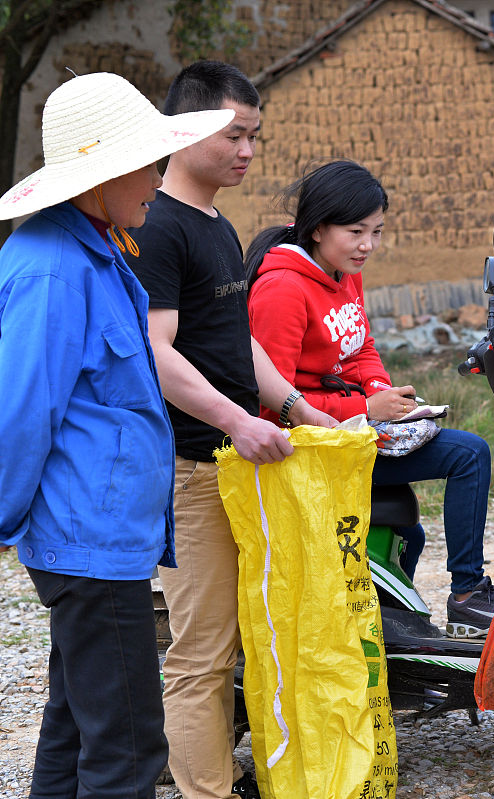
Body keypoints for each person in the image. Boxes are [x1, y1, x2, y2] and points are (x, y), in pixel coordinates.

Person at [0, 72, 237, 799]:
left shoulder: (96, 247)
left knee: (77, 729)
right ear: (100, 174)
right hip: (87, 542)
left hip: (103, 538)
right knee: (130, 748)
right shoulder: (52, 268)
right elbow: (20, 412)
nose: (159, 179)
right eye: (147, 163)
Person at [126, 61, 335, 799]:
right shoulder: (155, 223)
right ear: (182, 133)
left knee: (256, 633)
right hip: (193, 467)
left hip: (238, 459)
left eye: (255, 136)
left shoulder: (217, 221)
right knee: (202, 651)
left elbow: (236, 337)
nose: (248, 151)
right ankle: (204, 791)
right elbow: (157, 354)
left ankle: (226, 771)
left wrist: (295, 407)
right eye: (233, 135)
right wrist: (236, 420)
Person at [243, 159, 494, 636]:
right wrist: (364, 409)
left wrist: (385, 395)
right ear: (318, 229)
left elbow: (360, 347)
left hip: (354, 430)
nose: (368, 246)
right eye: (356, 231)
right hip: (310, 444)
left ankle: (396, 629)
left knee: (410, 532)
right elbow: (270, 403)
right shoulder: (281, 290)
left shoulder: (343, 271)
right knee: (470, 454)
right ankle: (468, 592)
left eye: (377, 232)